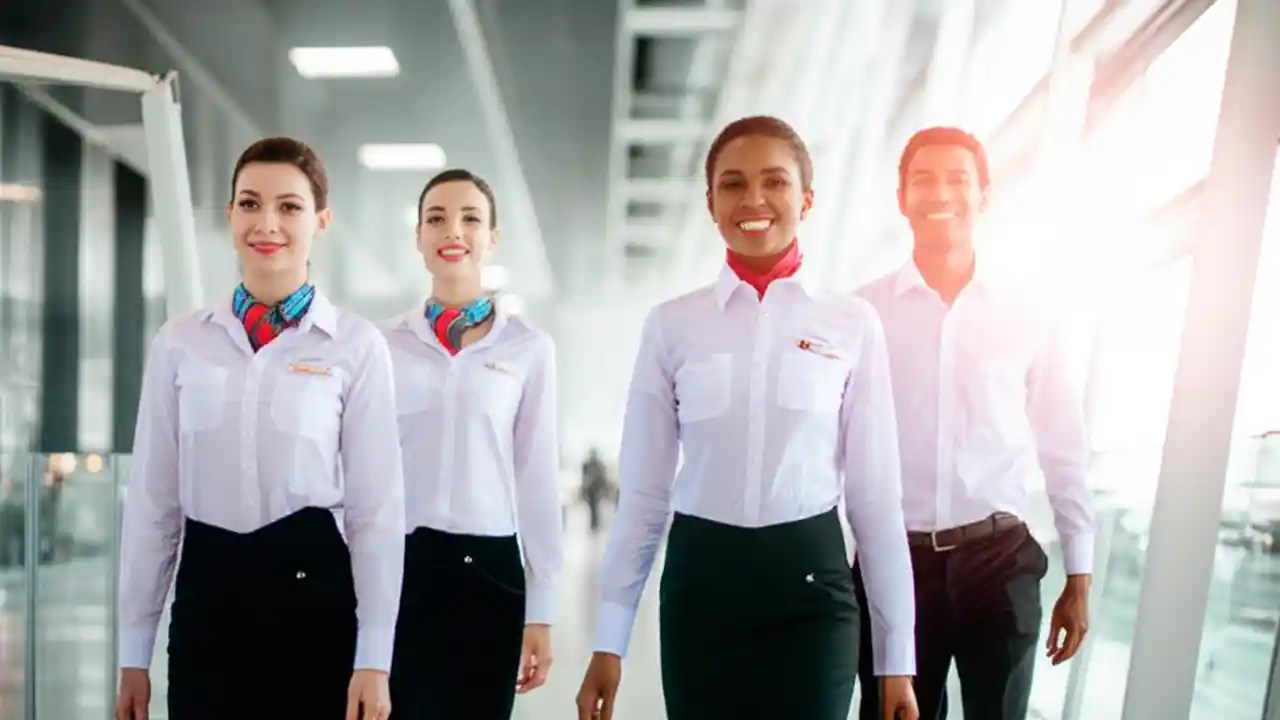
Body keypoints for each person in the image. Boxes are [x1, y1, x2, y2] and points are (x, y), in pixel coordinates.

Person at [575, 116, 919, 720]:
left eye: (774, 182)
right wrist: (609, 640)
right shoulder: (672, 325)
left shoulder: (852, 324)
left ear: (805, 199)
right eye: (732, 185)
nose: (753, 200)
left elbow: (875, 503)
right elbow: (645, 496)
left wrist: (897, 662)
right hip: (703, 587)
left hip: (811, 586)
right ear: (711, 203)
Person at [114, 137, 404, 720]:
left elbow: (376, 511)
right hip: (207, 605)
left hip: (315, 604)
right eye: (250, 203)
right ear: (230, 216)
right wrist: (133, 654)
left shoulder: (355, 346)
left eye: (289, 207)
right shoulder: (180, 343)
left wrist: (375, 657)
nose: (266, 222)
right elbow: (154, 505)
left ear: (320, 221)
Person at [853, 126, 1095, 720]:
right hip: (895, 565)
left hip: (1000, 559)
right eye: (924, 180)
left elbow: (1063, 447)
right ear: (902, 196)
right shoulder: (861, 314)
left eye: (959, 179)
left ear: (984, 195)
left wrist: (1080, 574)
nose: (941, 193)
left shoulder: (1028, 312)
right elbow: (834, 447)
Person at [382, 168, 562, 719]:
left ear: (492, 237)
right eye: (436, 218)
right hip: (401, 568)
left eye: (469, 218)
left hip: (490, 571)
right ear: (418, 237)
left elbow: (537, 478)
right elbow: (359, 471)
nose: (452, 231)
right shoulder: (381, 345)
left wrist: (543, 610)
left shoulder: (530, 348)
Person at [581, 447, 609, 532]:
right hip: (592, 489)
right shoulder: (594, 465)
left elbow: (602, 477)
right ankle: (594, 523)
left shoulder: (596, 465)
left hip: (595, 488)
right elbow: (584, 478)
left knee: (594, 507)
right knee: (594, 507)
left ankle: (595, 523)